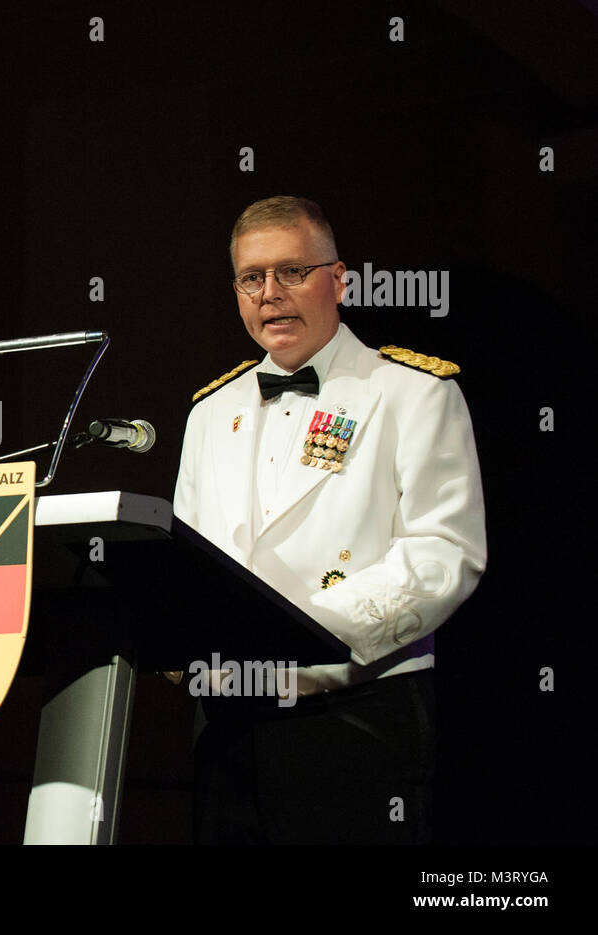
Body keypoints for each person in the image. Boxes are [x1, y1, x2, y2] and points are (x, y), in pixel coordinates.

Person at [172, 196, 487, 844]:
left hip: (354, 710)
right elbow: (190, 555)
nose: (270, 293)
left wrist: (303, 628)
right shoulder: (209, 411)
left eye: (292, 271)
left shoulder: (415, 391)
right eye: (251, 277)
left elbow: (446, 549)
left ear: (339, 279)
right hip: (228, 719)